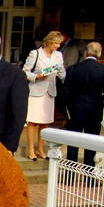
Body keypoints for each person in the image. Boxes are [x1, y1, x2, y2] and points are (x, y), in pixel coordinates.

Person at [61, 41, 104, 168]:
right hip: (95, 111)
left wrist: (68, 110)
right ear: (100, 54)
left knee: (73, 144)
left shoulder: (73, 69)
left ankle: (70, 175)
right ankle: (89, 175)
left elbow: (66, 92)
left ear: (85, 53)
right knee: (91, 144)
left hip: (76, 110)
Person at [22, 31, 66, 159]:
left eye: (59, 44)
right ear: (49, 42)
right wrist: (37, 76)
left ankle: (41, 150)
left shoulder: (58, 55)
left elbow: (62, 74)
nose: (58, 46)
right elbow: (24, 72)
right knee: (33, 122)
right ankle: (31, 150)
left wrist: (60, 70)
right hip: (36, 90)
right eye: (56, 43)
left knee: (45, 123)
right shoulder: (35, 54)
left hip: (49, 92)